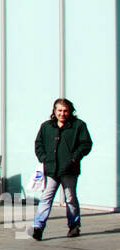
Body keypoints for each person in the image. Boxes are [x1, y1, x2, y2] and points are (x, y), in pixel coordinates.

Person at [31, 98, 93, 240]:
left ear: (70, 111)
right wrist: (43, 158)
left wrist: (74, 158)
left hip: (69, 169)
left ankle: (74, 226)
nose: (62, 114)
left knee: (70, 198)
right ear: (54, 111)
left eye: (65, 111)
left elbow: (86, 144)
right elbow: (38, 143)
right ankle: (38, 227)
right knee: (46, 197)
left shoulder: (78, 126)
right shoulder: (46, 127)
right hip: (51, 169)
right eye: (59, 110)